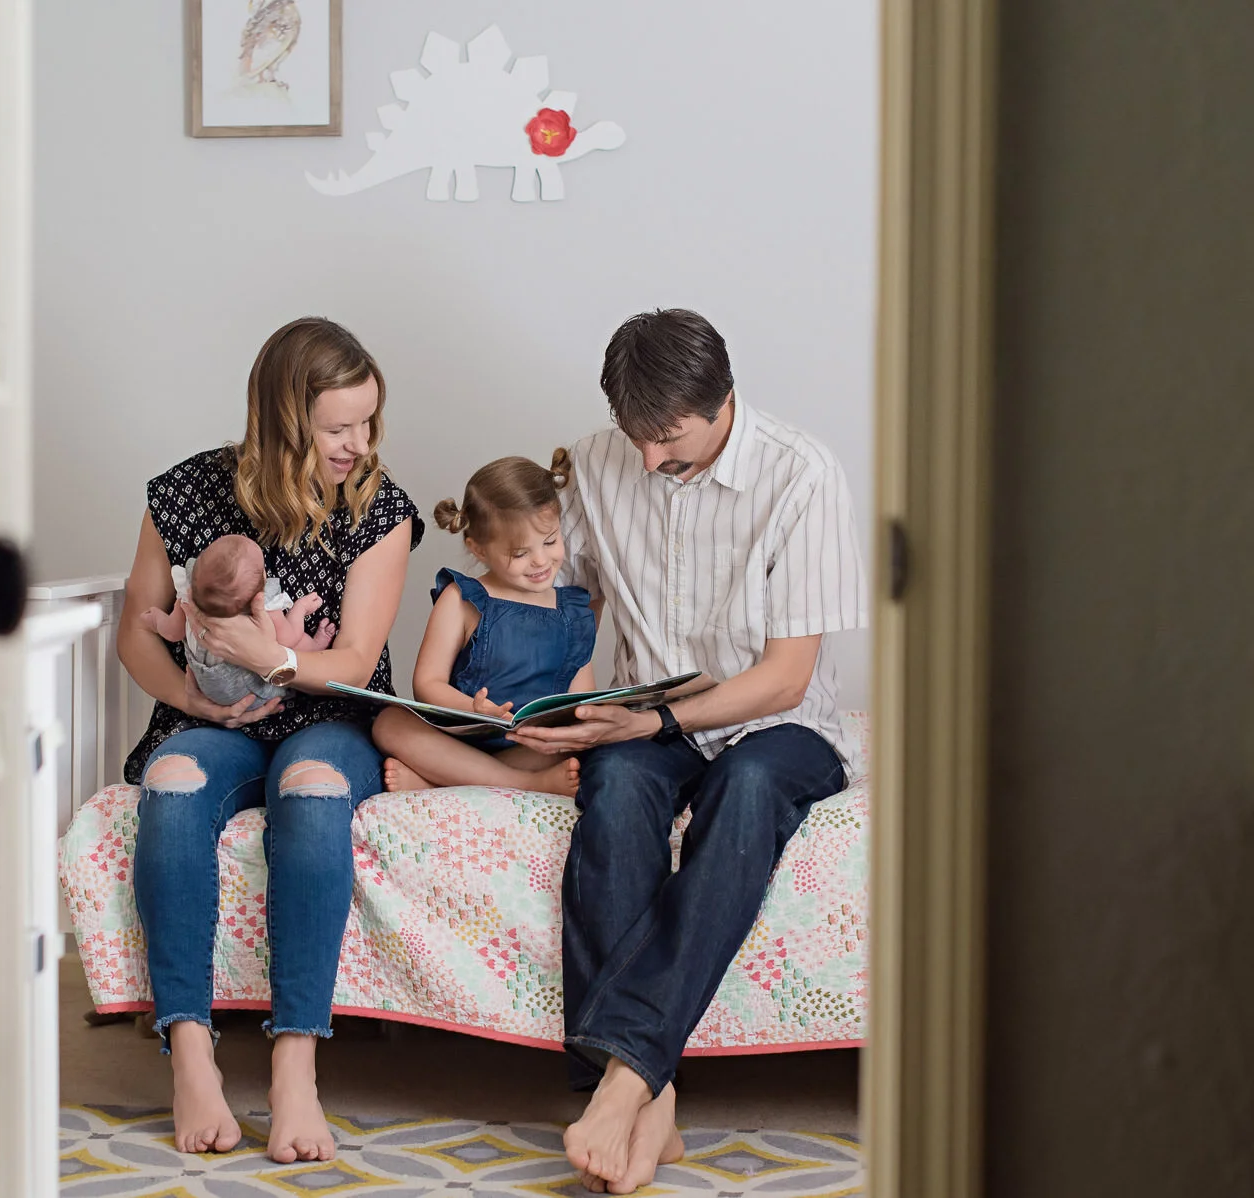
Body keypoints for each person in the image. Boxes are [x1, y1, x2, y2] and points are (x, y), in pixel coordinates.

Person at [509, 309, 867, 1194]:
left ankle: (621, 1079)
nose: (645, 461)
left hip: (777, 725)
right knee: (616, 786)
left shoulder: (803, 475)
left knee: (744, 789)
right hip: (645, 717)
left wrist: (664, 724)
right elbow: (566, 602)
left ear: (723, 402)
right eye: (633, 437)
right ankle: (653, 1103)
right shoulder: (596, 462)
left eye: (667, 438)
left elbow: (786, 678)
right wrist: (540, 697)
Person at [117, 317, 422, 1164]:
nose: (357, 444)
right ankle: (191, 1056)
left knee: (314, 792)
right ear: (285, 420)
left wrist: (274, 656)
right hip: (213, 716)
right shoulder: (185, 493)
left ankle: (295, 1067)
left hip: (329, 715)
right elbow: (136, 635)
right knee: (173, 782)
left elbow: (357, 660)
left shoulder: (379, 508)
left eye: (367, 422)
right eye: (337, 427)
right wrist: (191, 697)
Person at [372, 451, 596, 797]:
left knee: (586, 743)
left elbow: (581, 701)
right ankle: (521, 785)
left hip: (531, 747)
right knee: (389, 722)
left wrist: (567, 728)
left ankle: (441, 781)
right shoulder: (463, 599)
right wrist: (470, 709)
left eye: (550, 541)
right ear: (477, 549)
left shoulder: (574, 610)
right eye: (520, 553)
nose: (540, 560)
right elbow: (427, 683)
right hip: (460, 739)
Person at [140, 533, 339, 708]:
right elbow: (289, 637)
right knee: (290, 643)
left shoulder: (189, 596)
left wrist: (156, 620)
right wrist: (299, 609)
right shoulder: (265, 604)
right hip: (252, 692)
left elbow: (173, 632)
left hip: (207, 688)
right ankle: (315, 646)